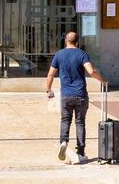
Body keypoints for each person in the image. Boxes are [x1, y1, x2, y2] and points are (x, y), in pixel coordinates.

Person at [45, 31, 107, 165]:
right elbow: (91, 71)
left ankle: (63, 141)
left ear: (66, 41)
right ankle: (81, 152)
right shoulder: (82, 54)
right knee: (80, 122)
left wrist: (48, 90)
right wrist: (102, 80)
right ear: (77, 42)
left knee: (65, 120)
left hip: (66, 95)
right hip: (80, 94)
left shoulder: (59, 54)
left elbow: (50, 75)